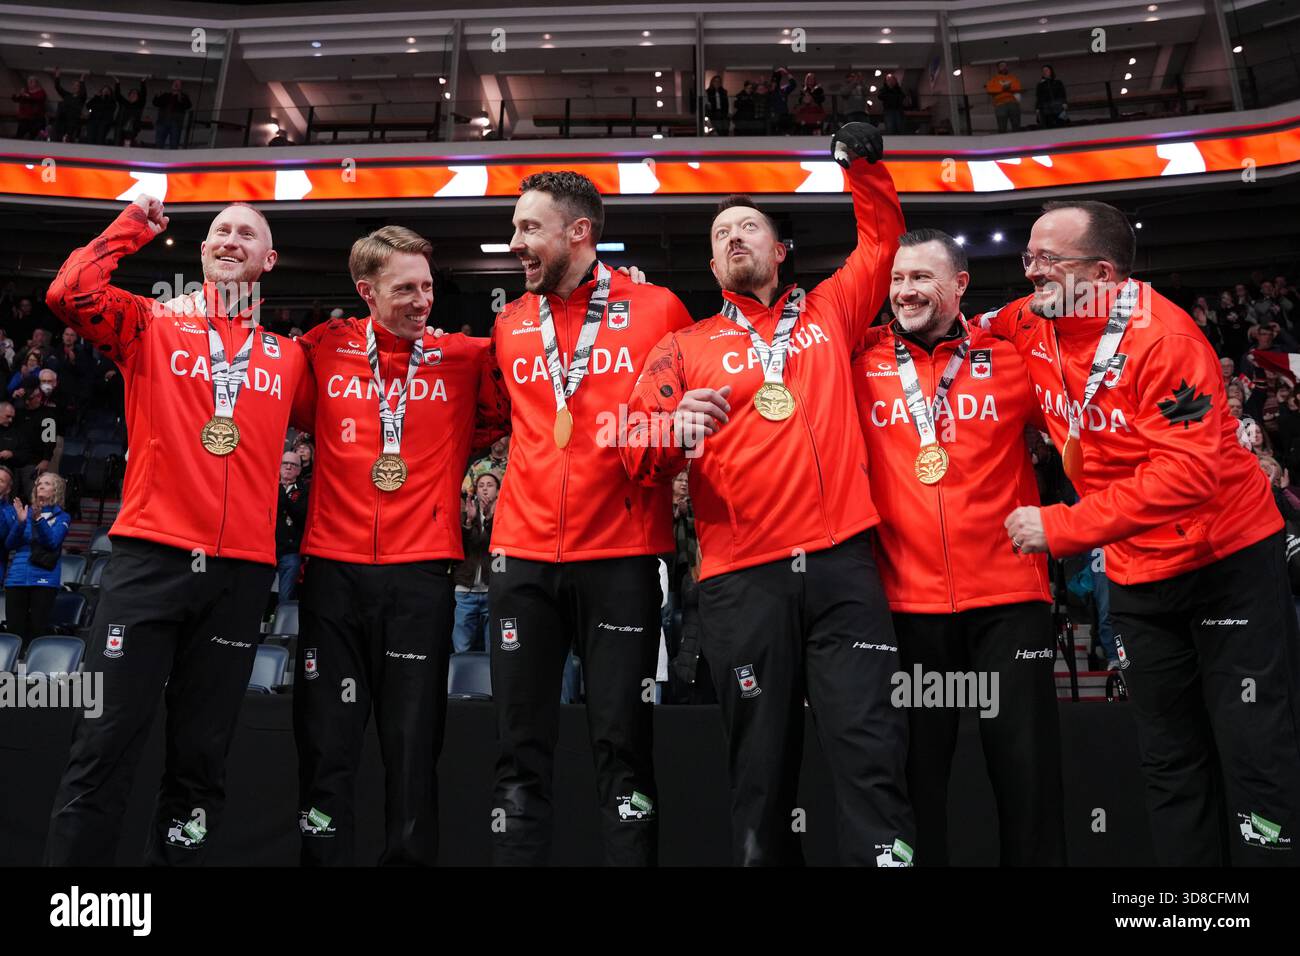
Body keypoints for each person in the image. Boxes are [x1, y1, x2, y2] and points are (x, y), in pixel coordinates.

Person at [622, 124, 915, 866]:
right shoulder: (683, 347)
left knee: (870, 749)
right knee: (760, 767)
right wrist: (671, 430)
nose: (734, 238)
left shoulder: (829, 313)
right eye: (721, 233)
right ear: (713, 261)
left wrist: (866, 170)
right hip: (740, 577)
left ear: (779, 250)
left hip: (844, 565)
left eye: (748, 226)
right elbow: (631, 445)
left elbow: (880, 246)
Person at [983, 199, 1300, 866]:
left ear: (1101, 274)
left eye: (1047, 261)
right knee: (1169, 755)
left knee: (1253, 745)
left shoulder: (1167, 340)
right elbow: (964, 327)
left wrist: (1063, 526)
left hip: (1226, 562)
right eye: (1028, 258)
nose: (1030, 273)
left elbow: (1188, 477)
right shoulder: (1027, 320)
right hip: (1134, 572)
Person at [42, 194, 310, 866]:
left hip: (240, 577)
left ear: (268, 259)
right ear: (200, 252)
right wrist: (132, 226)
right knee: (103, 745)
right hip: (147, 564)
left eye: (246, 234)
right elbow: (70, 293)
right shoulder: (148, 325)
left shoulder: (289, 358)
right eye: (219, 231)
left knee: (200, 763)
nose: (229, 240)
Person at [487, 170, 693, 866]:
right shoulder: (512, 322)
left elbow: (693, 415)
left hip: (622, 560)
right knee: (519, 747)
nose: (515, 243)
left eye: (527, 228)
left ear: (579, 233)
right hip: (520, 558)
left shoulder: (661, 308)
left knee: (623, 744)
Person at [291, 225, 505, 866]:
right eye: (405, 288)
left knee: (413, 751)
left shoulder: (465, 357)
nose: (422, 300)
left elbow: (497, 417)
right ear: (366, 291)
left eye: (428, 286)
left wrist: (438, 471)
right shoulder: (321, 348)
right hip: (332, 573)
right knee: (327, 751)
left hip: (421, 576)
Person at [851, 228, 1063, 865]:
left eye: (922, 277)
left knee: (1026, 779)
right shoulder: (858, 364)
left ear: (961, 285)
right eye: (897, 280)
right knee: (917, 782)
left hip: (1009, 601)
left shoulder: (1011, 361)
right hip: (909, 609)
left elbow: (1080, 426)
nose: (906, 291)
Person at [4, 471, 70, 653]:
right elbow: (10, 544)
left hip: (44, 579)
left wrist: (39, 520)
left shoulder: (62, 517)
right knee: (14, 630)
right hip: (16, 578)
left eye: (47, 483)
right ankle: (10, 673)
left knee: (37, 631)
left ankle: (31, 674)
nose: (40, 485)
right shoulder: (26, 513)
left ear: (56, 490)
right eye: (39, 483)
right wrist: (19, 523)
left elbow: (52, 542)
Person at [453, 471, 498, 653]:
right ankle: (459, 681)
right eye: (481, 486)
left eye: (490, 485)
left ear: (498, 491)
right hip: (465, 592)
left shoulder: (505, 516)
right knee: (461, 648)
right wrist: (470, 522)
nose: (485, 489)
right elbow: (460, 544)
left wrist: (489, 518)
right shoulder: (466, 514)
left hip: (492, 591)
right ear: (475, 491)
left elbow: (497, 545)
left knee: (492, 650)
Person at [275, 450, 308, 604]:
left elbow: (302, 515)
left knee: (285, 598)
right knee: (256, 593)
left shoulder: (305, 491)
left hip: (290, 551)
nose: (288, 467)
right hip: (267, 549)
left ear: (299, 470)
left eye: (293, 464)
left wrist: (283, 495)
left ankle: (282, 627)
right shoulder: (268, 485)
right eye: (285, 463)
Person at [152, 79, 192, 149]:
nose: (176, 85)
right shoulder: (165, 95)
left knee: (174, 144)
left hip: (176, 123)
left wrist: (181, 97)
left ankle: (172, 158)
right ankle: (157, 157)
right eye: (175, 83)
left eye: (178, 84)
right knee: (159, 143)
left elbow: (188, 106)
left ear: (181, 87)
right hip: (162, 121)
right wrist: (156, 96)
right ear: (172, 85)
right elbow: (156, 103)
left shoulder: (183, 97)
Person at [50, 69, 86, 144]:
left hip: (71, 122)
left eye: (77, 86)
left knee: (67, 140)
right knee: (56, 138)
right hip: (61, 120)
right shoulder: (67, 95)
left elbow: (83, 92)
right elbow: (58, 87)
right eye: (74, 85)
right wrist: (57, 76)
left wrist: (82, 80)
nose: (75, 87)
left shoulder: (81, 97)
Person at [985, 61, 1022, 133]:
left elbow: (1018, 88)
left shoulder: (1013, 78)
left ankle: (1018, 141)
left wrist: (1007, 88)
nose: (1003, 67)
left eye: (1005, 66)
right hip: (1000, 104)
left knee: (1016, 125)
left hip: (1013, 103)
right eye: (1001, 66)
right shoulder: (993, 79)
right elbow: (989, 89)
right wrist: (1002, 88)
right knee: (1002, 127)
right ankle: (1003, 142)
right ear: (998, 68)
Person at [113, 77, 148, 147]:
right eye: (132, 93)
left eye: (135, 94)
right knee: (116, 144)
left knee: (127, 145)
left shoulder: (139, 104)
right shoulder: (124, 103)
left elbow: (144, 95)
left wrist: (142, 83)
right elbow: (117, 95)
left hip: (132, 127)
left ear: (138, 97)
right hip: (120, 126)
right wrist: (117, 83)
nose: (133, 95)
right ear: (128, 96)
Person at [12, 75, 48, 140]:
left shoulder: (41, 92)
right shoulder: (25, 92)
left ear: (36, 83)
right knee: (19, 136)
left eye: (32, 82)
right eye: (29, 82)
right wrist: (19, 95)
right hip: (24, 118)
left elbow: (36, 99)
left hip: (36, 119)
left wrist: (27, 96)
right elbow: (15, 99)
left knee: (33, 137)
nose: (30, 83)